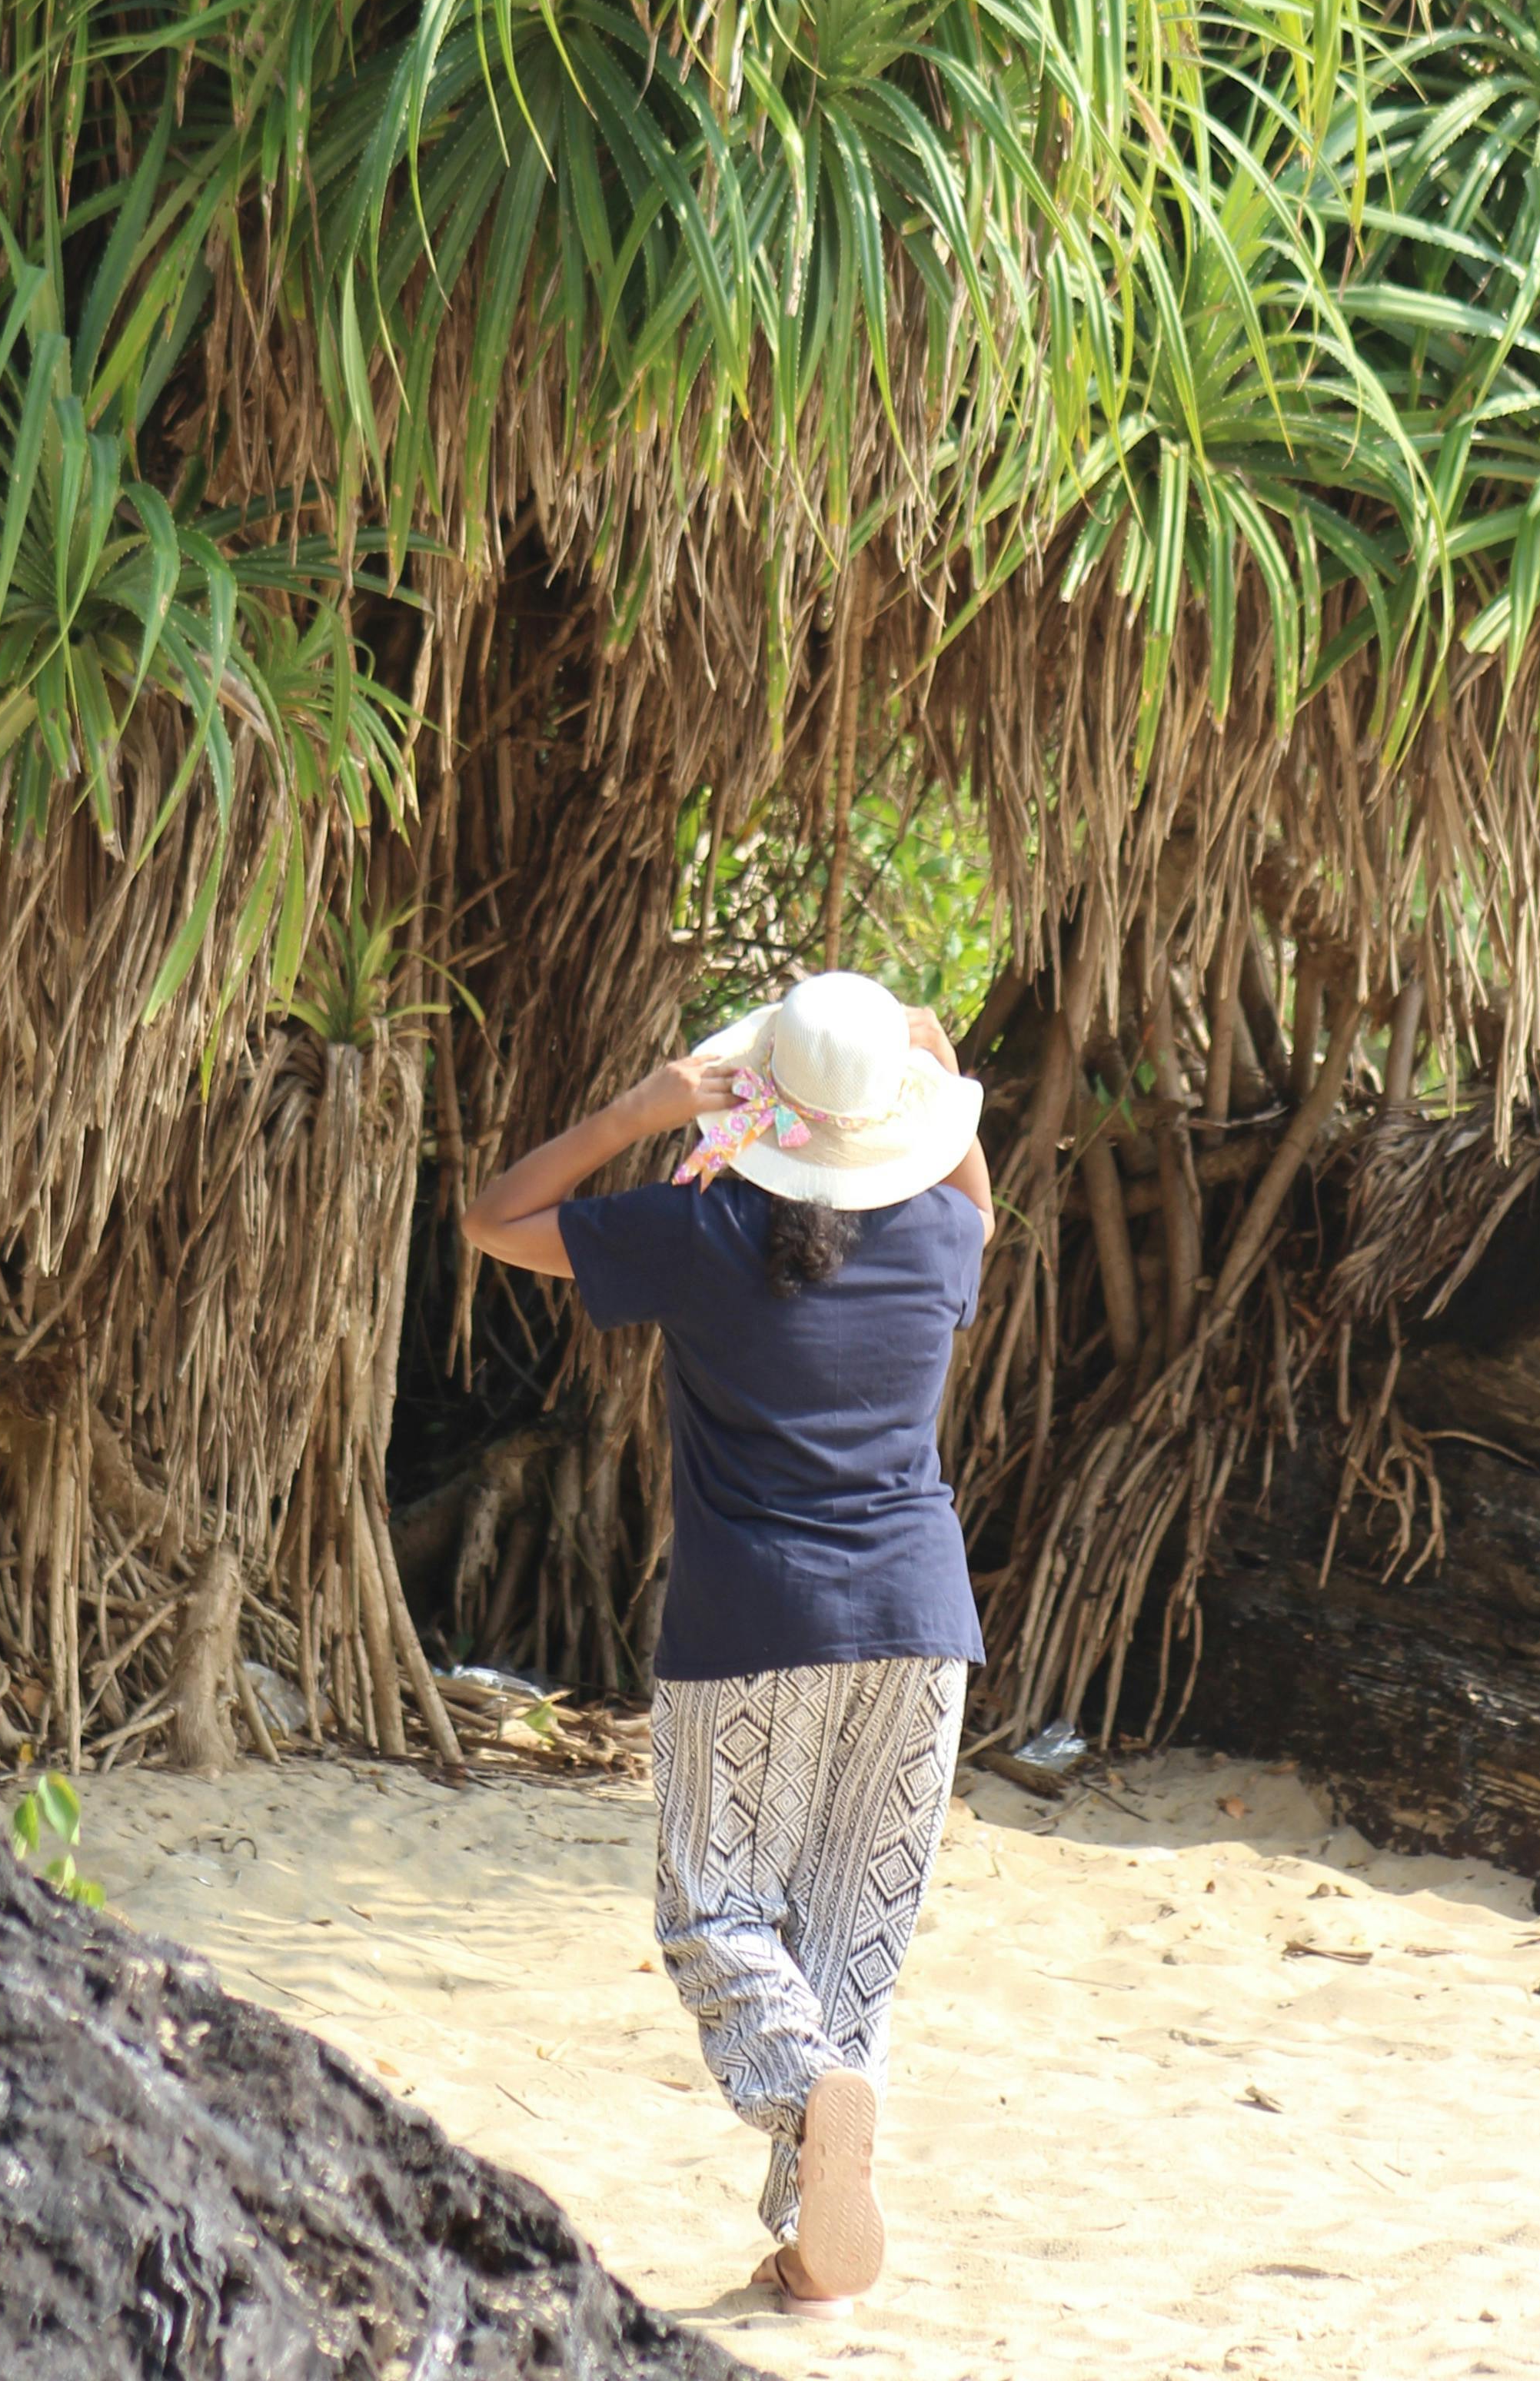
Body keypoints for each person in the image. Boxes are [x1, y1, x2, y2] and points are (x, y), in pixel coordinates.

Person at [462, 969, 992, 2318]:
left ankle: (805, 2111)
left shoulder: (700, 1231)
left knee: (715, 1911)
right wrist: (943, 1085)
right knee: (851, 1934)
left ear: (760, 1102)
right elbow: (975, 1200)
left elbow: (492, 1217)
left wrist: (640, 1108)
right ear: (898, 1124)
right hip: (921, 1624)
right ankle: (818, 2248)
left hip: (753, 1617)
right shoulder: (937, 1235)